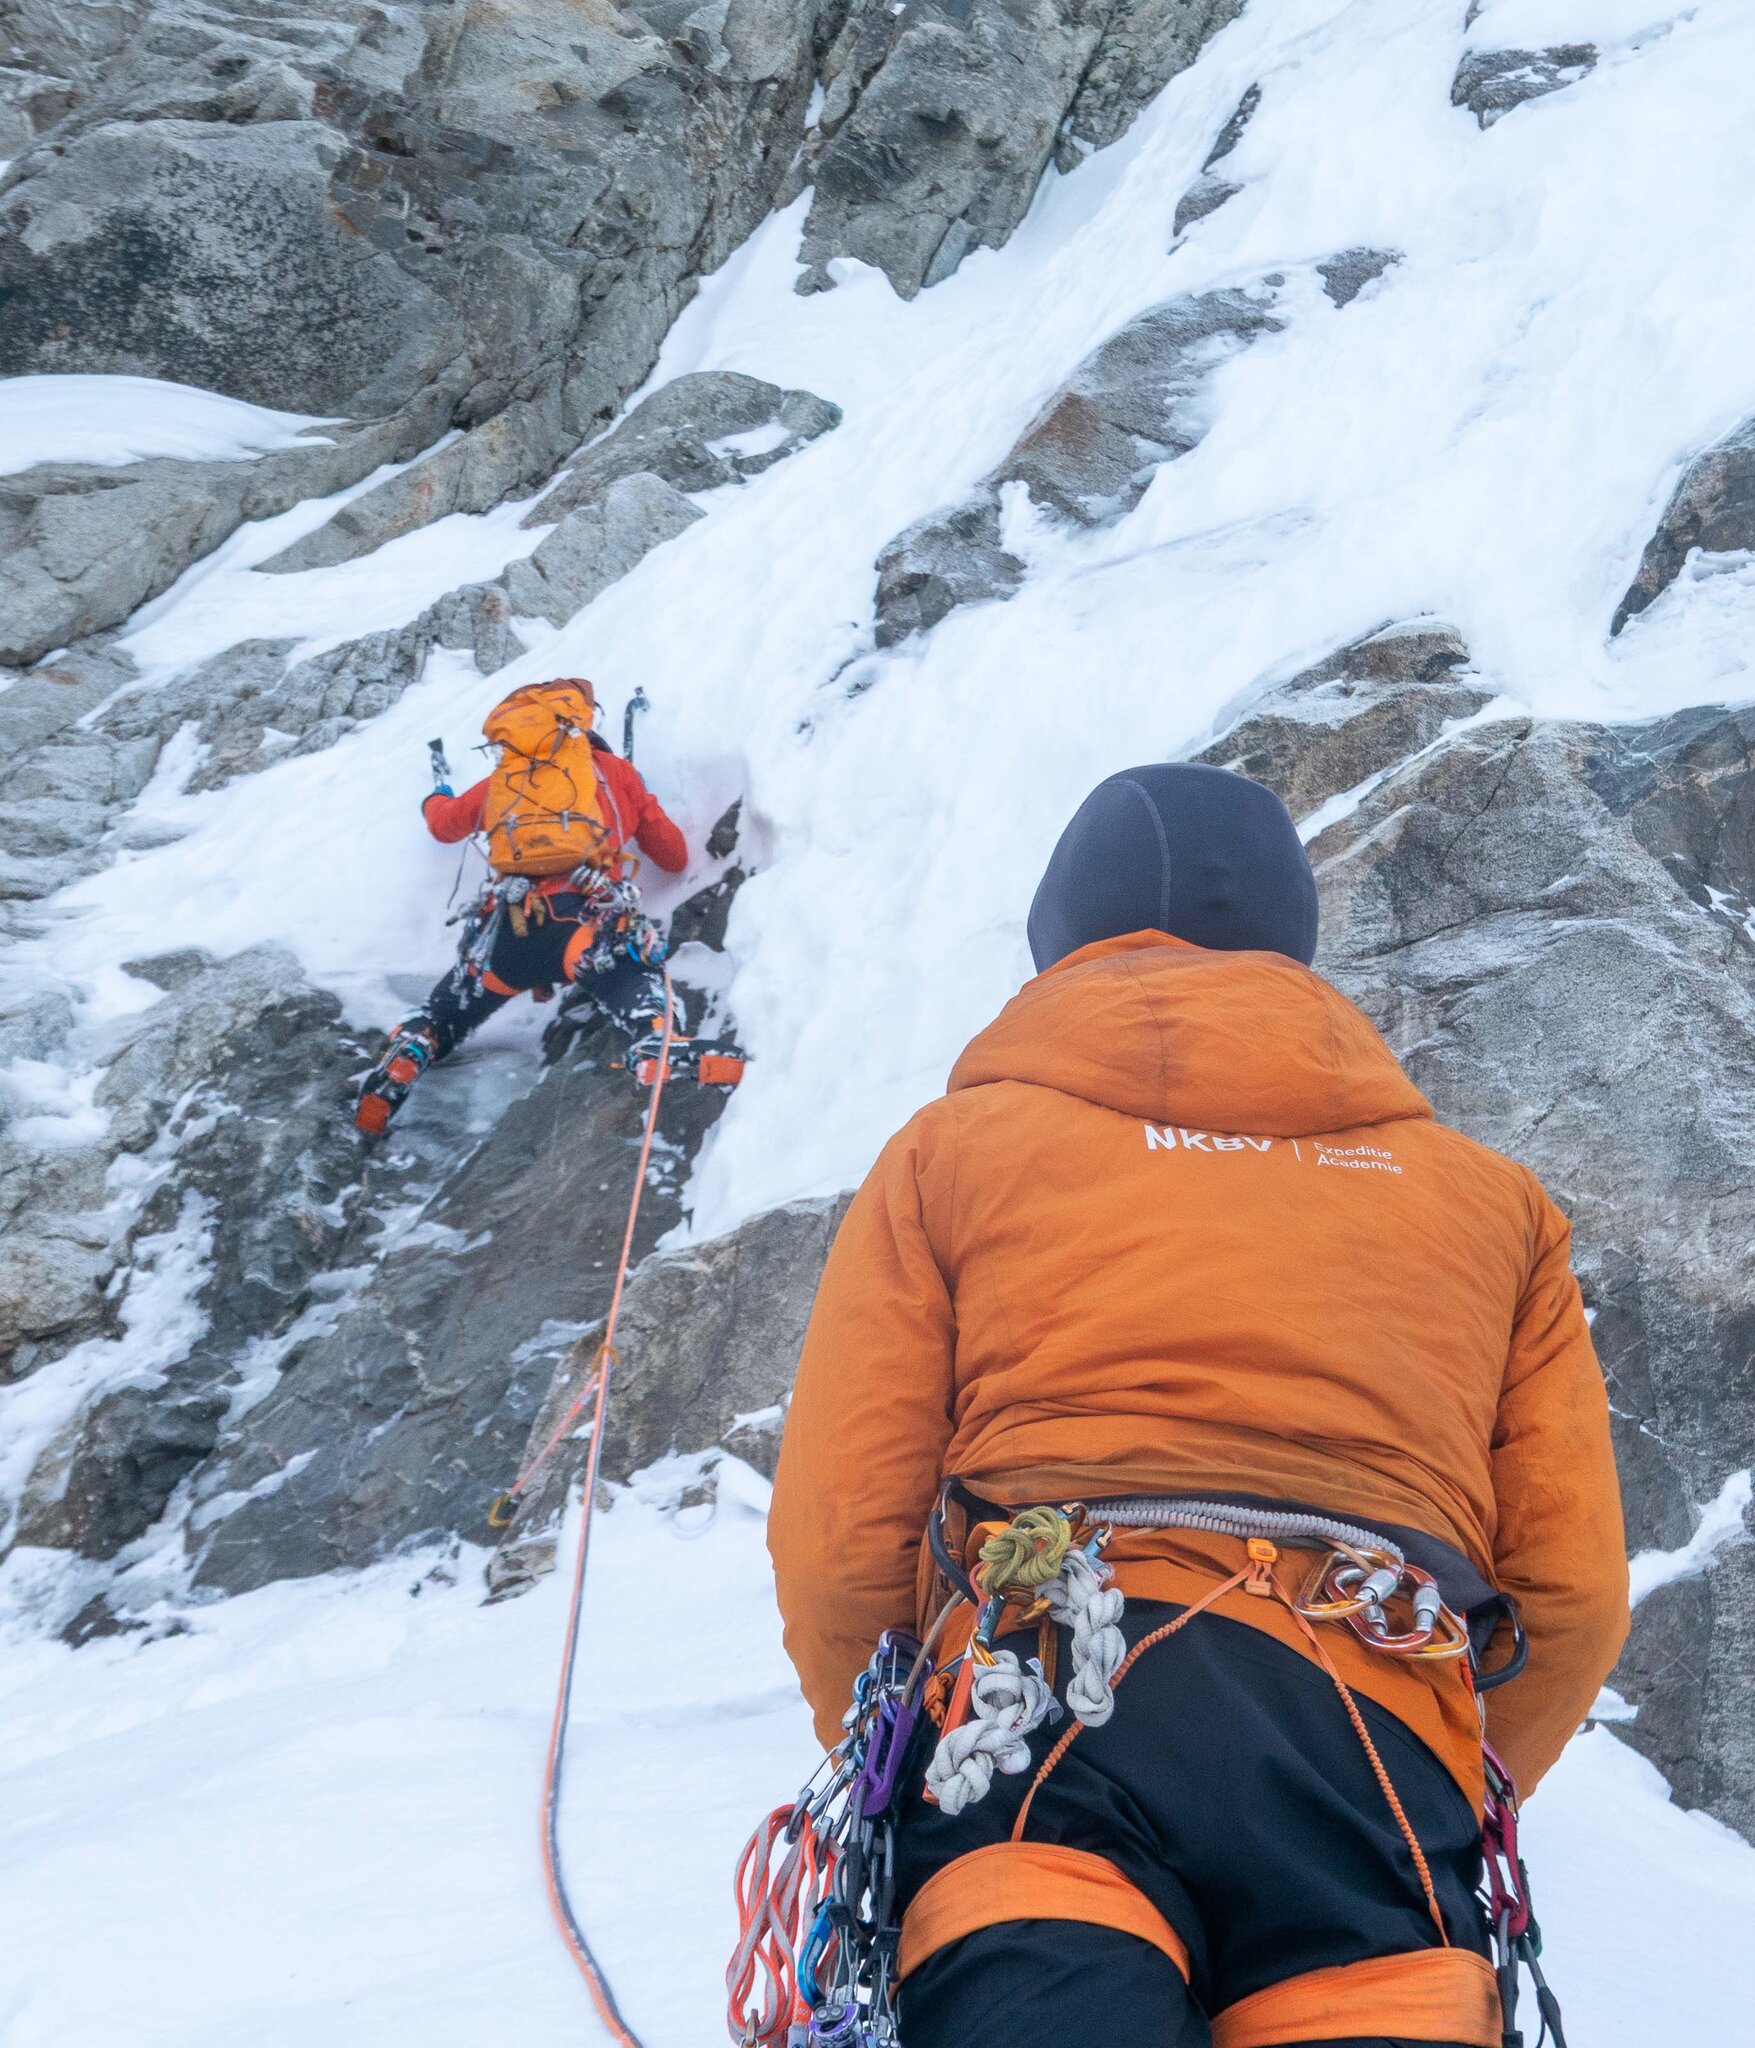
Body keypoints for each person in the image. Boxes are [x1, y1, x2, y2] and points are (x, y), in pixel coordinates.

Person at [767, 761, 1627, 2048]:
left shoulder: (953, 1155)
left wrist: (905, 1753)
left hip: (1044, 1703)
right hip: (1371, 1739)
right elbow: (1568, 1591)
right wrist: (1437, 1752)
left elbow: (846, 1538)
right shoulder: (1494, 1206)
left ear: (1060, 940)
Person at [354, 676, 741, 1134]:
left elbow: (443, 826)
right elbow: (674, 858)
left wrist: (436, 797)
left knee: (447, 1013)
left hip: (508, 936)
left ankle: (410, 1052)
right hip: (585, 930)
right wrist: (634, 800)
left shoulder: (507, 779)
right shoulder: (614, 774)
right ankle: (655, 1040)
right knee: (632, 981)